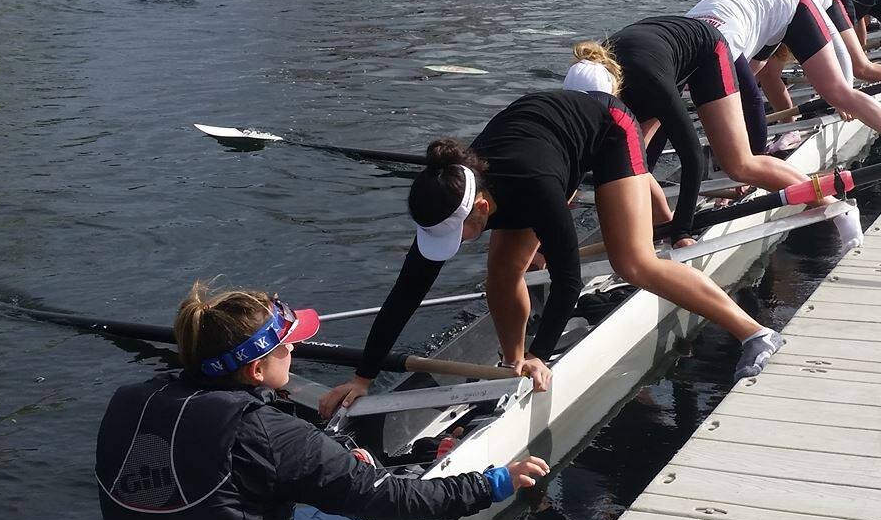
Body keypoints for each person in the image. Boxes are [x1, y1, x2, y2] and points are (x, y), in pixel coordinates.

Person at [94, 282, 549, 520]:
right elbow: (393, 504)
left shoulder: (130, 400)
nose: (294, 347)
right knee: (366, 495)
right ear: (256, 370)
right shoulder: (271, 433)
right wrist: (493, 483)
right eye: (284, 346)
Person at [318, 91, 792, 415]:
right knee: (500, 275)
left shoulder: (536, 190)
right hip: (538, 139)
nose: (453, 245)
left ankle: (754, 333)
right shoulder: (445, 199)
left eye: (458, 235)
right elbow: (405, 294)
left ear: (480, 209)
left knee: (634, 262)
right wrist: (363, 377)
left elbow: (569, 279)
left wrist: (543, 354)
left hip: (607, 129)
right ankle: (511, 367)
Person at [686, 0, 881, 188]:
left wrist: (753, 167)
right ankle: (740, 162)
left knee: (838, 93)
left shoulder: (720, 50)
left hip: (796, 8)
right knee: (737, 98)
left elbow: (752, 103)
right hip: (753, 18)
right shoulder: (682, 48)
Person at [564, 29, 804, 248]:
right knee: (633, 160)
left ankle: (817, 196)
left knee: (739, 165)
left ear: (613, 96)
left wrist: (682, 231)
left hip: (707, 53)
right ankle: (663, 221)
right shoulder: (586, 81)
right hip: (655, 58)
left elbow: (692, 157)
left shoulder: (654, 86)